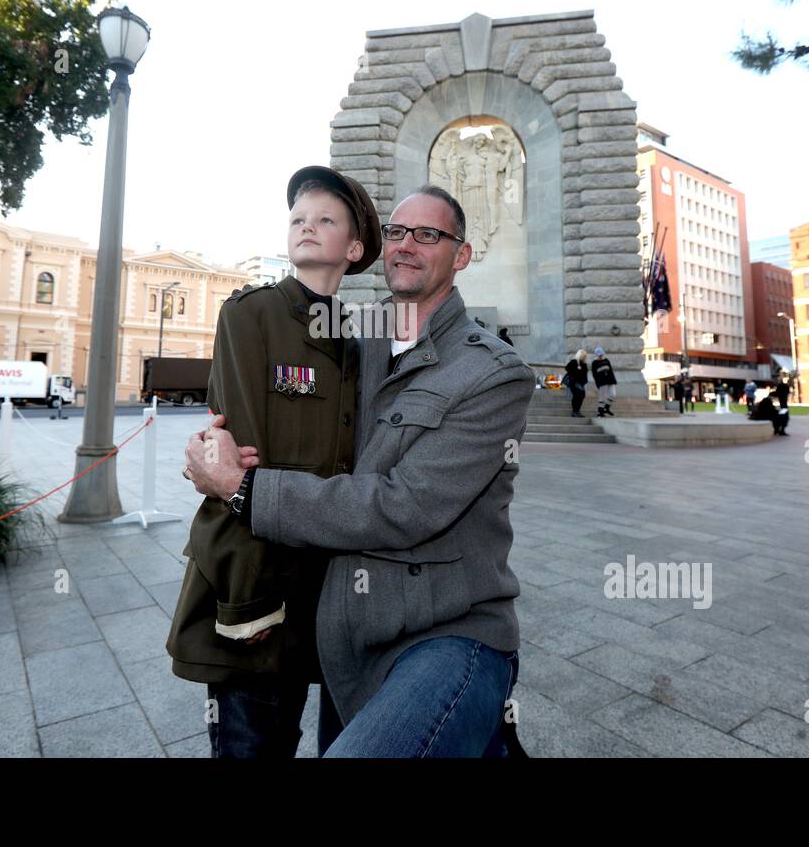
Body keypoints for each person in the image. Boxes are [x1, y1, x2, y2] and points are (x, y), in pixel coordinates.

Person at [185, 183, 534, 758]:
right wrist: (213, 446)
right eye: (397, 232)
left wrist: (244, 488)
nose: (406, 245)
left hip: (447, 633)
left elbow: (405, 506)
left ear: (462, 255)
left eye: (429, 234)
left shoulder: (494, 374)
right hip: (344, 640)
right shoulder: (349, 341)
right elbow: (285, 421)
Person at [166, 165, 382, 757]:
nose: (307, 227)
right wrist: (248, 604)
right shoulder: (252, 314)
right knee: (253, 745)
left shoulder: (356, 342)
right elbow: (237, 471)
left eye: (325, 220)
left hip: (325, 590)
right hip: (257, 585)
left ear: (354, 247)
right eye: (298, 219)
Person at [591, 346, 617, 417]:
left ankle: (607, 407)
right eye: (599, 354)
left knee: (613, 394)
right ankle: (601, 411)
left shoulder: (606, 360)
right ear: (596, 354)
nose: (601, 355)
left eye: (601, 354)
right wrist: (597, 383)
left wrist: (614, 380)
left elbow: (611, 370)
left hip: (610, 380)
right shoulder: (594, 362)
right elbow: (594, 374)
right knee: (602, 396)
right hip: (602, 382)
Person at [564, 348, 588, 418]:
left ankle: (577, 411)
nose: (584, 357)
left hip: (581, 382)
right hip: (575, 382)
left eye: (585, 356)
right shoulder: (574, 362)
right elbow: (567, 368)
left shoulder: (584, 364)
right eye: (583, 356)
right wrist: (577, 370)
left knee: (581, 395)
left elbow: (585, 372)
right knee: (577, 396)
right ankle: (575, 411)